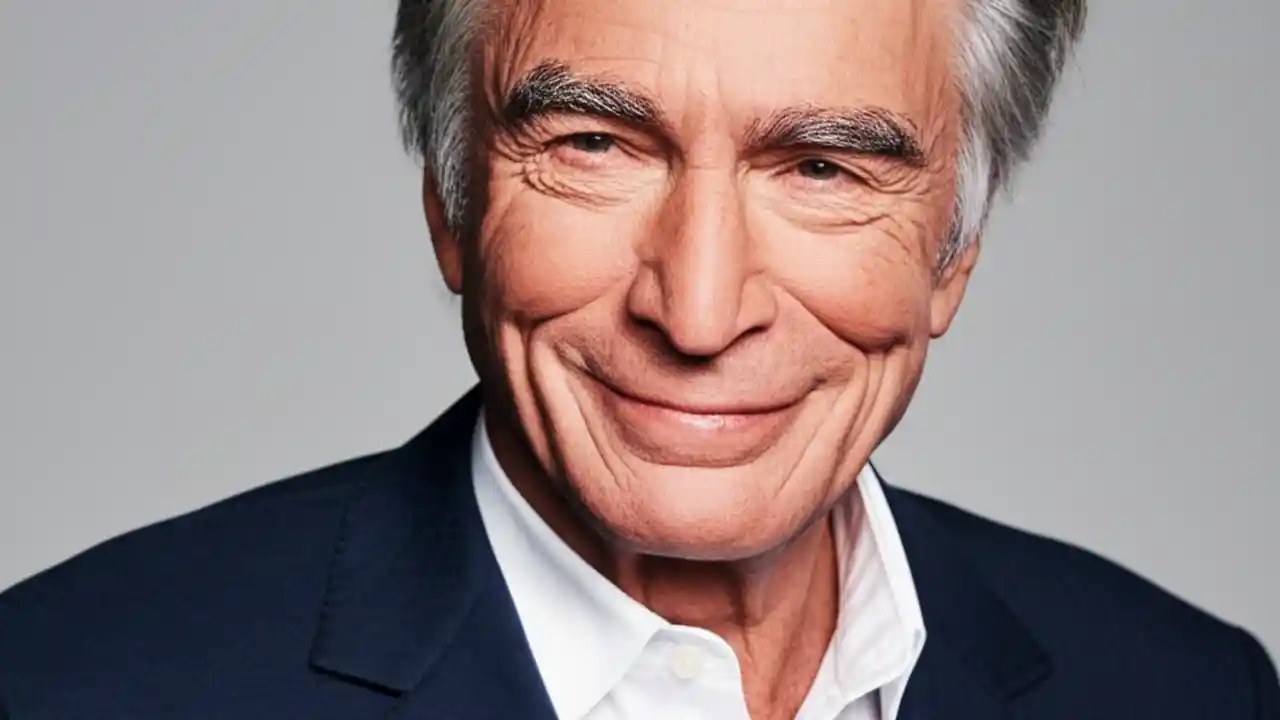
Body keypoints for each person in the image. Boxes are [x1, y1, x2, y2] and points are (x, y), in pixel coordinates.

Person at [1, 0, 1276, 717]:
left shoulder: (1187, 693)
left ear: (952, 251)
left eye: (822, 168)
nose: (701, 308)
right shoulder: (67, 686)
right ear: (451, 204)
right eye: (596, 147)